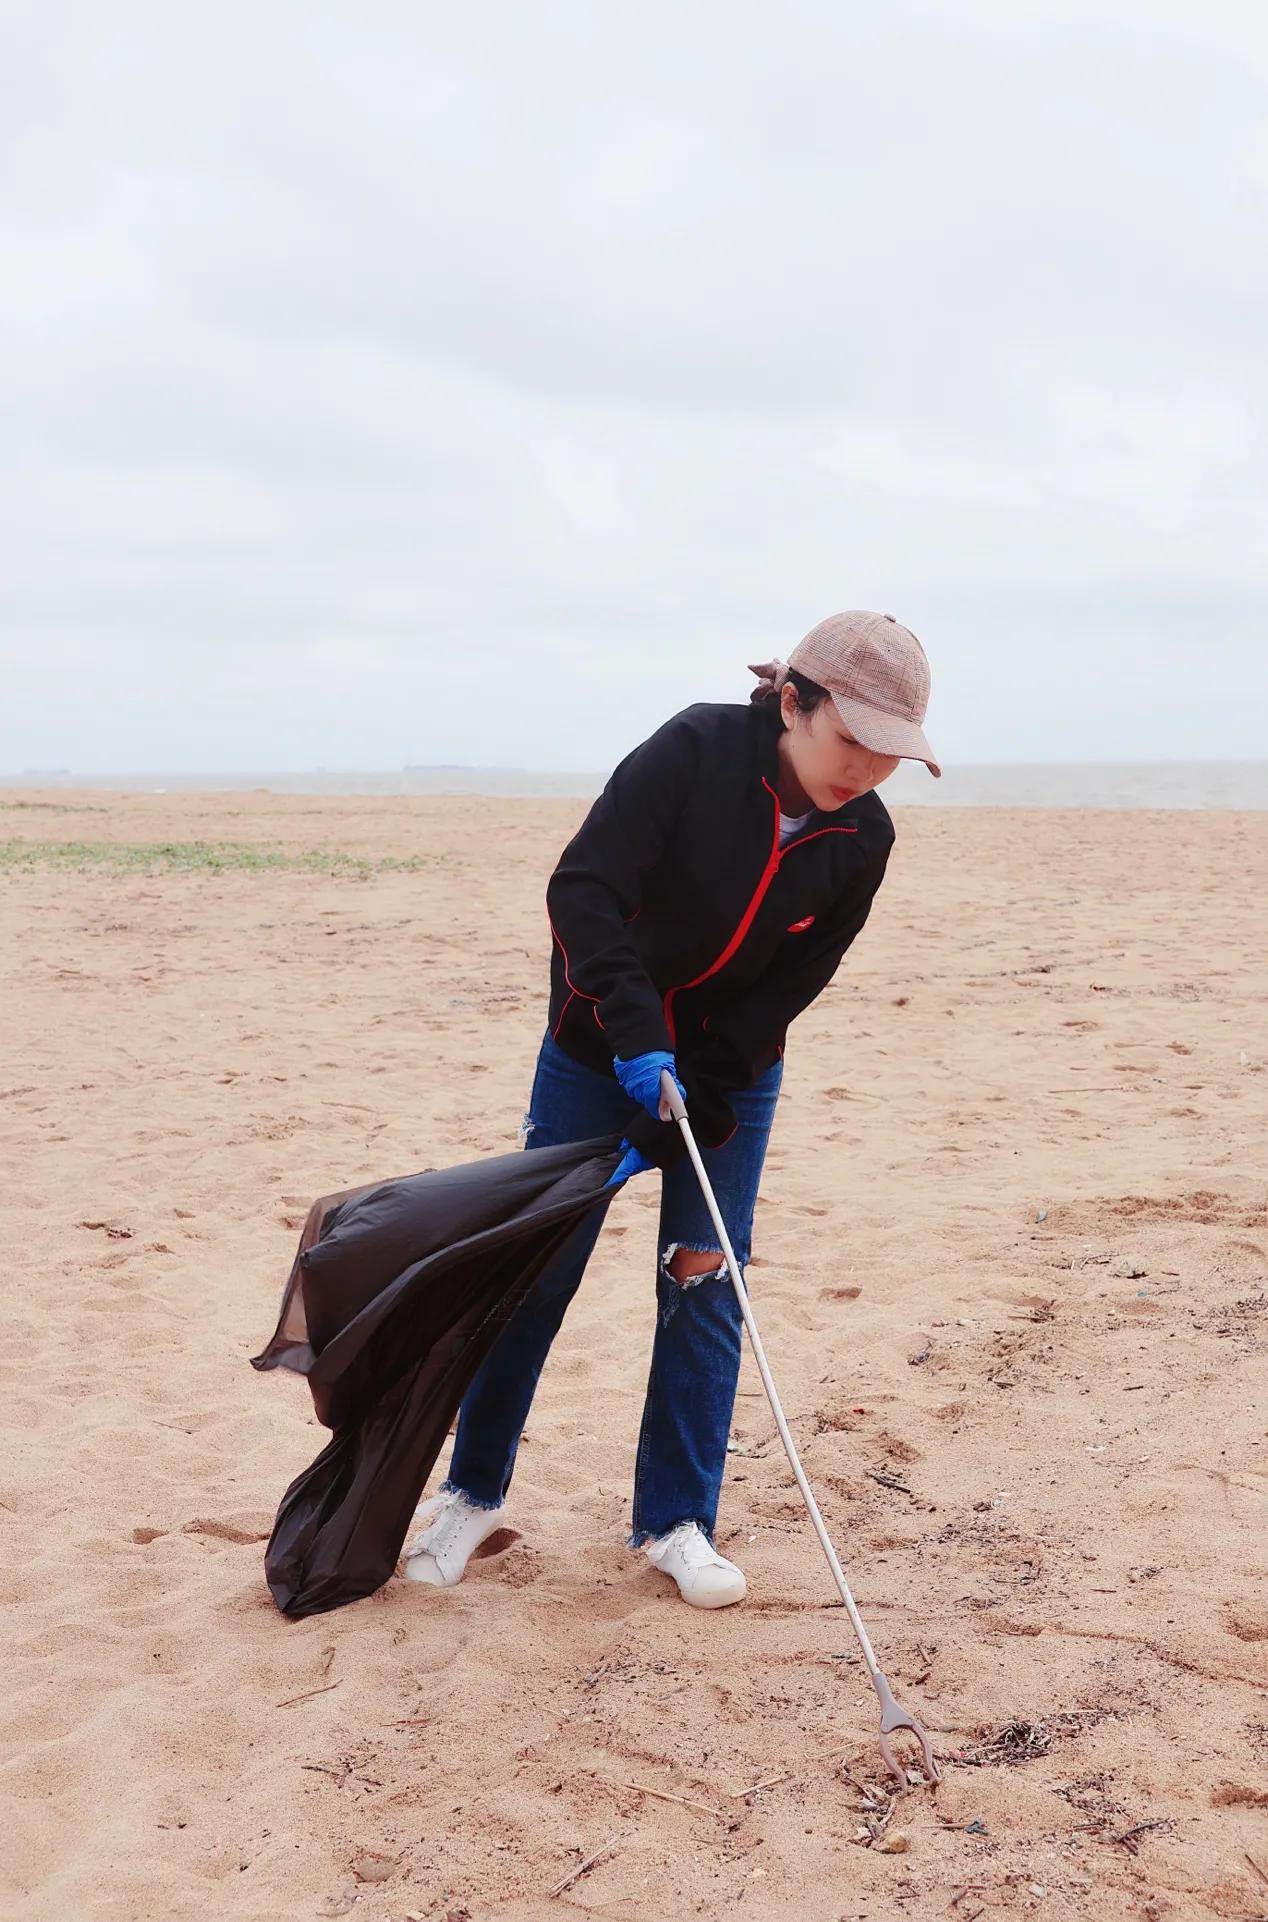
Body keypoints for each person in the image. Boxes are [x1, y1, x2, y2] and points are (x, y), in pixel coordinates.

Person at [403, 611, 940, 1607]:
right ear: (792, 702)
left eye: (889, 753)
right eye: (851, 740)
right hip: (596, 1049)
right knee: (535, 1272)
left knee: (703, 1276)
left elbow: (788, 986)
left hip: (731, 1072)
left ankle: (677, 1520)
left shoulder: (864, 837)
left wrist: (711, 1087)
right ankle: (469, 1494)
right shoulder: (693, 750)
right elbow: (583, 892)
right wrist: (635, 1038)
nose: (867, 770)